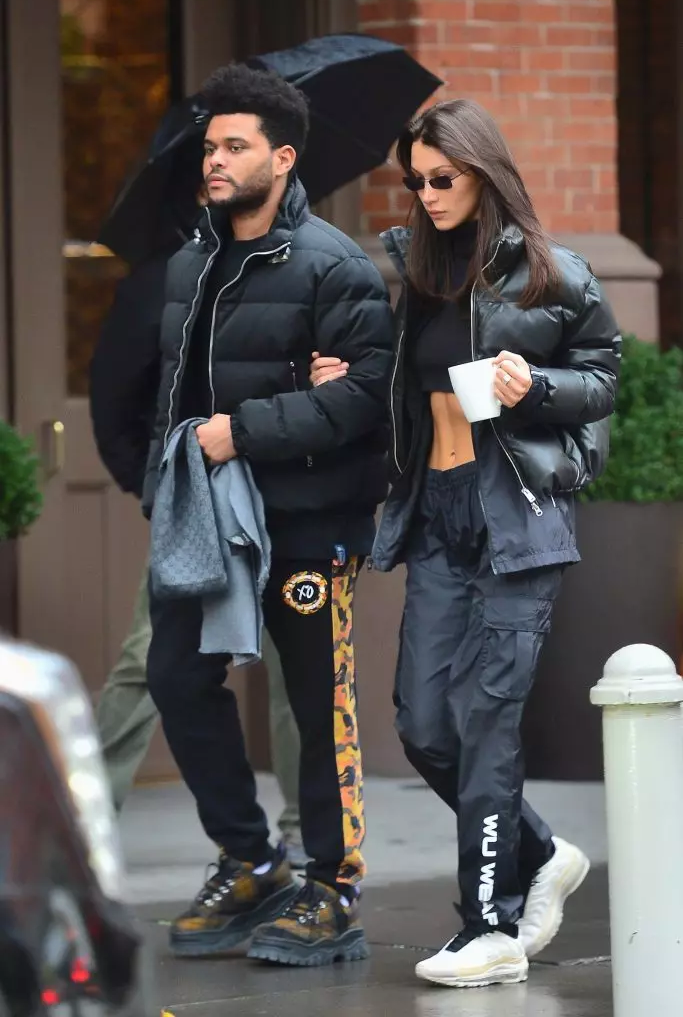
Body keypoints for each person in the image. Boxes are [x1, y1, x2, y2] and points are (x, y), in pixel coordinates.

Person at [310, 98, 620, 989]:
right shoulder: (410, 274)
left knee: (485, 724)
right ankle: (541, 852)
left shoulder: (555, 275)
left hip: (516, 517)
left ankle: (485, 926)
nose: (426, 193)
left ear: (484, 172)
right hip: (436, 512)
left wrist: (537, 386)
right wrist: (347, 379)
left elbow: (599, 380)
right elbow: (396, 393)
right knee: (421, 722)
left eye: (441, 177)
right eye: (415, 180)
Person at [141, 64, 393, 967]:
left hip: (306, 516)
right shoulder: (189, 261)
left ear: (281, 159)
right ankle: (250, 859)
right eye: (209, 146)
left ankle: (332, 884)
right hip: (205, 517)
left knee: (314, 698)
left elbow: (368, 394)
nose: (214, 159)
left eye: (234, 146)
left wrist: (241, 431)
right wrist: (161, 483)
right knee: (175, 674)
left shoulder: (331, 262)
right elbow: (171, 393)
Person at [89, 159, 308, 869]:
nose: (223, 175)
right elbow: (114, 396)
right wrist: (155, 487)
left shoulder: (304, 264)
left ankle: (308, 828)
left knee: (295, 667)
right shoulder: (162, 278)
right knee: (151, 663)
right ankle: (81, 818)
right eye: (212, 164)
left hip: (284, 501)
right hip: (195, 504)